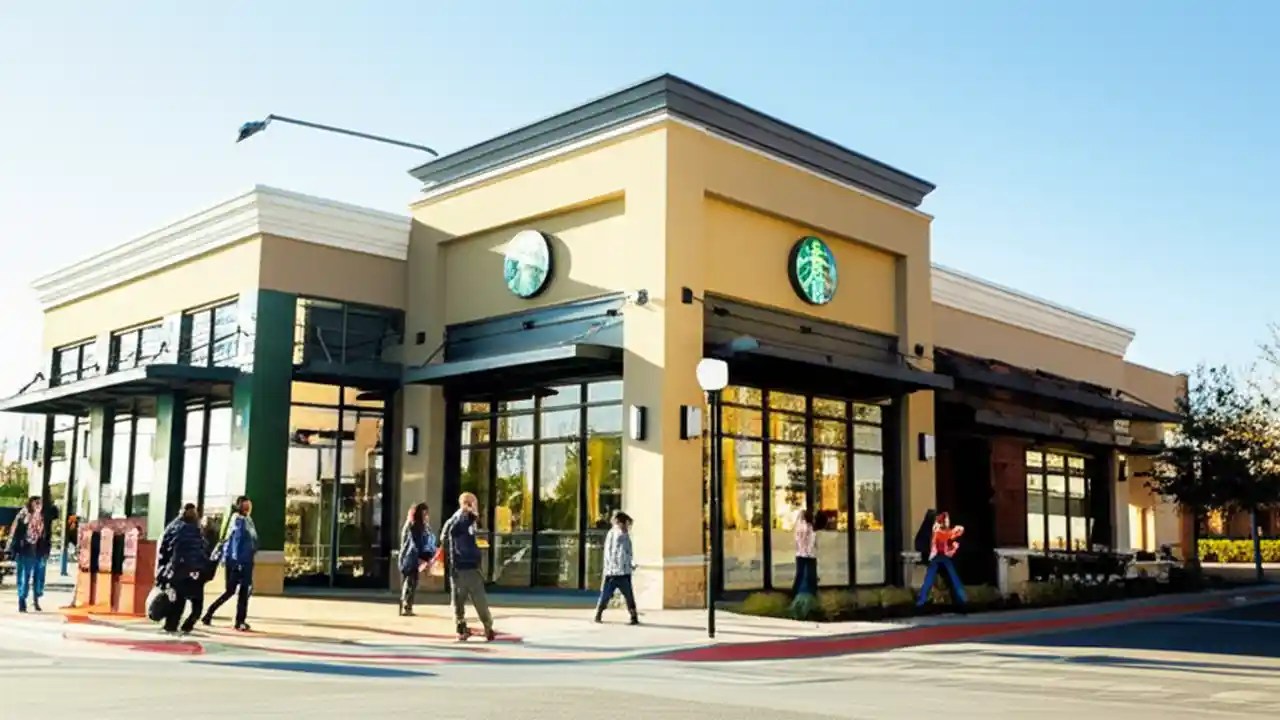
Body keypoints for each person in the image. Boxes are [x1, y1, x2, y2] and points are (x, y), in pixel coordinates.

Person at [440, 492, 495, 642]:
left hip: (463, 566)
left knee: (461, 600)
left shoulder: (462, 520)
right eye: (474, 504)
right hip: (463, 566)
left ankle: (468, 627)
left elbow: (446, 537)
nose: (476, 508)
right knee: (473, 599)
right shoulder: (461, 519)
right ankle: (480, 627)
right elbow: (452, 534)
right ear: (468, 504)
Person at [202, 496, 257, 631]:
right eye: (245, 506)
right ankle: (238, 620)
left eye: (248, 505)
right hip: (239, 562)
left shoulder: (245, 520)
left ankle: (211, 614)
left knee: (233, 591)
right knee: (240, 591)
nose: (248, 508)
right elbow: (236, 543)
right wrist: (238, 561)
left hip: (242, 561)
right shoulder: (239, 521)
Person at [157, 504, 209, 634]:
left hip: (177, 571)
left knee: (178, 602)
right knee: (195, 605)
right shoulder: (194, 530)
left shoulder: (173, 527)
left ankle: (171, 626)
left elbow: (164, 549)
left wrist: (164, 570)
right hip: (190, 572)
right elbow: (199, 551)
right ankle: (184, 626)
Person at [915, 510, 967, 608]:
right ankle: (962, 599)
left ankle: (921, 601)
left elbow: (921, 544)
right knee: (953, 577)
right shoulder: (936, 529)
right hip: (940, 557)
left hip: (937, 557)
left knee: (930, 579)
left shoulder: (930, 529)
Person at [594, 510, 639, 625]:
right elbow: (611, 552)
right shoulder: (613, 534)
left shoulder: (625, 535)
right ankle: (598, 614)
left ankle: (633, 616)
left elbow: (628, 553)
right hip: (613, 572)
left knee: (628, 595)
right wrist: (610, 566)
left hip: (622, 572)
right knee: (606, 595)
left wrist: (631, 564)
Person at [7, 496, 45, 613]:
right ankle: (22, 600)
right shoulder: (24, 514)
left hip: (37, 550)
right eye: (36, 503)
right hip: (24, 549)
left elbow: (43, 534)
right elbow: (14, 531)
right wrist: (11, 547)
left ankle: (35, 599)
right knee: (24, 576)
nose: (38, 505)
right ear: (31, 504)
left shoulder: (41, 517)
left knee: (38, 577)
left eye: (40, 503)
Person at [399, 502, 437, 616]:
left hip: (415, 556)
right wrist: (423, 556)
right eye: (424, 513)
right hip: (410, 557)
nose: (426, 515)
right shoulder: (413, 525)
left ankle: (407, 605)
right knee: (410, 580)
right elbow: (415, 543)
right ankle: (406, 605)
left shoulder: (422, 525)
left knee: (412, 581)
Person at [792, 509, 818, 597]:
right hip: (809, 555)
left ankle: (794, 594)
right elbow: (811, 542)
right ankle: (812, 593)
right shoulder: (810, 528)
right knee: (811, 576)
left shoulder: (799, 527)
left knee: (800, 575)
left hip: (800, 554)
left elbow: (798, 540)